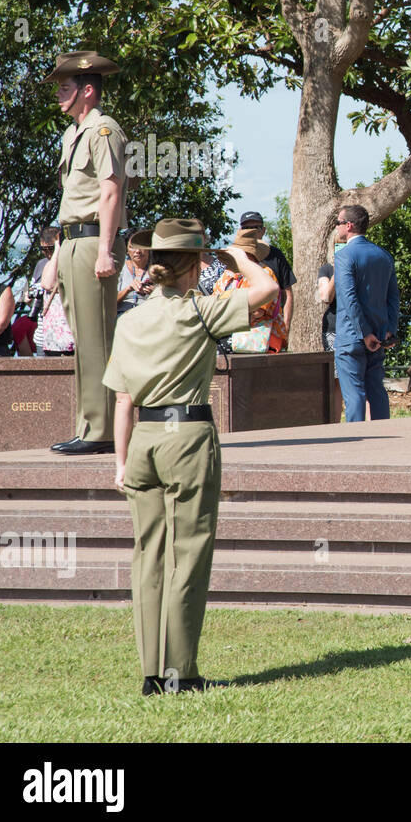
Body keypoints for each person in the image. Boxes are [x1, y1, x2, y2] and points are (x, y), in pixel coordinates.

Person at [102, 217, 277, 694]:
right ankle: (182, 673)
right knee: (189, 554)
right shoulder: (200, 310)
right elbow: (267, 289)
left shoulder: (130, 318)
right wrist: (241, 259)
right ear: (193, 264)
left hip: (143, 440)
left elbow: (121, 400)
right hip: (188, 436)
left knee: (149, 557)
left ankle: (151, 674)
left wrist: (119, 464)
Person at [43, 50, 129, 455]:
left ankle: (101, 431)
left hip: (95, 240)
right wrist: (57, 257)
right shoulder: (72, 134)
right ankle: (92, 424)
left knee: (97, 339)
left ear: (88, 91)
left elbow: (110, 192)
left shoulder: (103, 130)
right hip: (74, 240)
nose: (59, 95)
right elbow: (72, 203)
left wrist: (106, 251)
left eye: (65, 88)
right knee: (84, 337)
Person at [333, 204, 399, 422]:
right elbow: (393, 297)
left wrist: (363, 332)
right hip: (380, 335)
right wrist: (389, 330)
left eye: (338, 223)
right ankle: (383, 438)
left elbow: (348, 298)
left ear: (348, 226)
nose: (337, 227)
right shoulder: (383, 255)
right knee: (377, 393)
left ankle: (355, 444)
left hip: (353, 336)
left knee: (355, 396)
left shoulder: (344, 256)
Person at [212, 229, 285, 353]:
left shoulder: (265, 274)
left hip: (258, 342)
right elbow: (214, 303)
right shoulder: (227, 275)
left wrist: (225, 313)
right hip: (227, 339)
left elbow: (258, 312)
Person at [238, 211, 296, 345]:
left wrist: (286, 326)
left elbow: (287, 293)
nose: (251, 232)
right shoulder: (236, 257)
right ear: (240, 231)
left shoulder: (275, 255)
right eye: (246, 228)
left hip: (272, 332)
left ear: (263, 230)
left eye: (256, 228)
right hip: (239, 331)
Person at [116, 242, 153, 316]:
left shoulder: (156, 269)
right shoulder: (120, 268)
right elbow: (110, 302)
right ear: (127, 250)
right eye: (132, 247)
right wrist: (128, 289)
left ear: (149, 249)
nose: (138, 251)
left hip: (148, 314)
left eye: (141, 246)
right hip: (124, 314)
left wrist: (154, 292)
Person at [316, 260, 338, 351]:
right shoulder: (327, 269)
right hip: (334, 328)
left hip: (360, 329)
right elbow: (326, 298)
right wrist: (338, 272)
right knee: (334, 364)